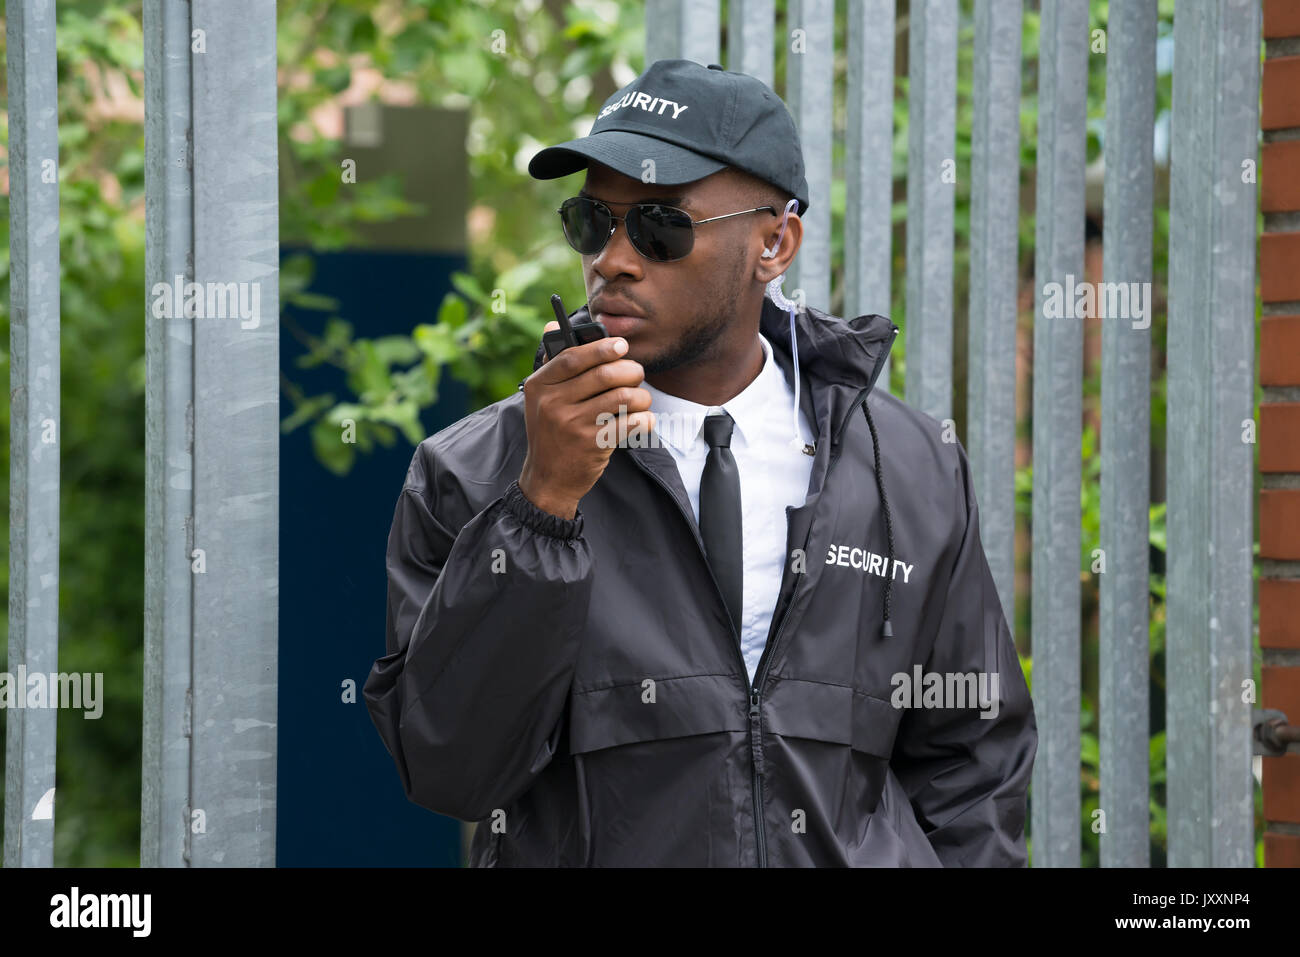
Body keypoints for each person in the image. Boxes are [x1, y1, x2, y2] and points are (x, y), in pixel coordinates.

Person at [363, 58, 1037, 866]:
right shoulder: (473, 474)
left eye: (658, 225)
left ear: (774, 242)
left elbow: (975, 760)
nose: (613, 257)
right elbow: (452, 768)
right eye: (591, 221)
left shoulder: (910, 467)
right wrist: (541, 505)